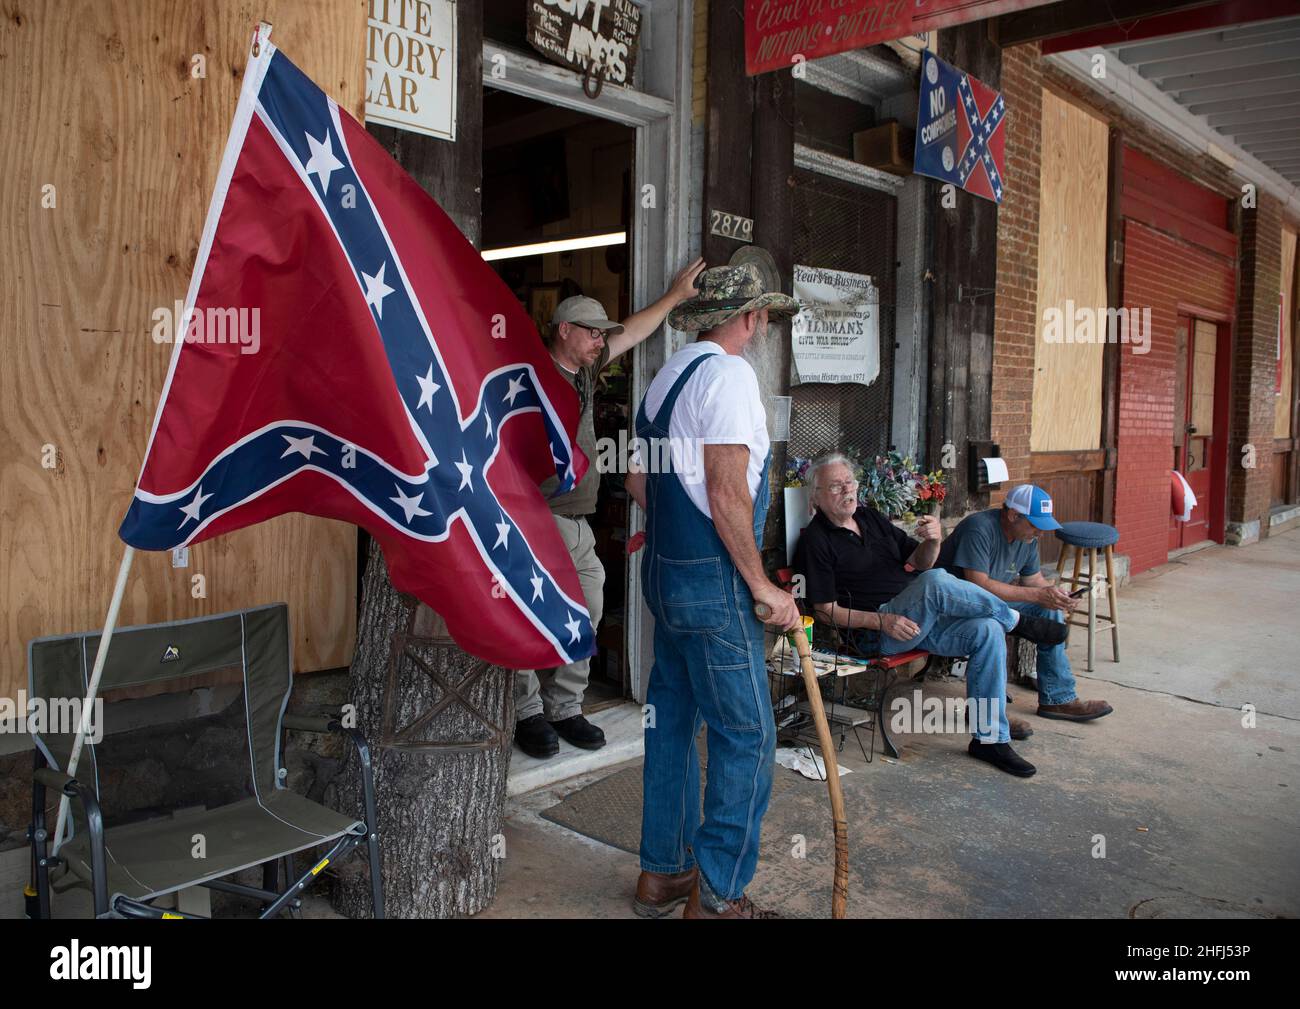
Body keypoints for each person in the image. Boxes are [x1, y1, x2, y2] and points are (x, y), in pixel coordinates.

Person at [627, 263, 801, 920]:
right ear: (750, 317)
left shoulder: (667, 376)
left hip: (665, 575)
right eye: (762, 315)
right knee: (747, 734)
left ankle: (662, 872)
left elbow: (639, 484)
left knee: (669, 722)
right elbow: (729, 493)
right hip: (714, 584)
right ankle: (720, 895)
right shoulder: (728, 377)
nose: (761, 327)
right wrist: (763, 586)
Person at [514, 259, 706, 760]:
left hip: (578, 521)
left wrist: (674, 297)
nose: (602, 341)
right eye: (593, 333)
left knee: (588, 610)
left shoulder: (585, 371)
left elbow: (635, 331)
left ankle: (564, 706)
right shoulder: (529, 373)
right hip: (538, 517)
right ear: (564, 330)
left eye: (603, 335)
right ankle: (526, 712)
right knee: (532, 615)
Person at [792, 453, 1068, 779]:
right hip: (877, 632)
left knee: (988, 630)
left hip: (919, 619)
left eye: (849, 482)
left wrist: (934, 541)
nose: (846, 490)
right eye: (835, 486)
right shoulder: (815, 540)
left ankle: (990, 739)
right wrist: (882, 621)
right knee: (936, 583)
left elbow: (920, 561)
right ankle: (1018, 621)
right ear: (817, 497)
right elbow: (825, 613)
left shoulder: (871, 518)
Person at [937, 484, 1114, 722]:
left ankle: (1058, 699)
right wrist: (1037, 595)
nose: (1040, 533)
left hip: (993, 605)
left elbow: (1033, 579)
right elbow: (978, 586)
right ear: (1012, 515)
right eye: (1035, 525)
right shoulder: (978, 528)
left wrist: (1056, 595)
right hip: (958, 607)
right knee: (995, 623)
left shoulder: (1027, 537)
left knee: (1047, 611)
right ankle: (989, 713)